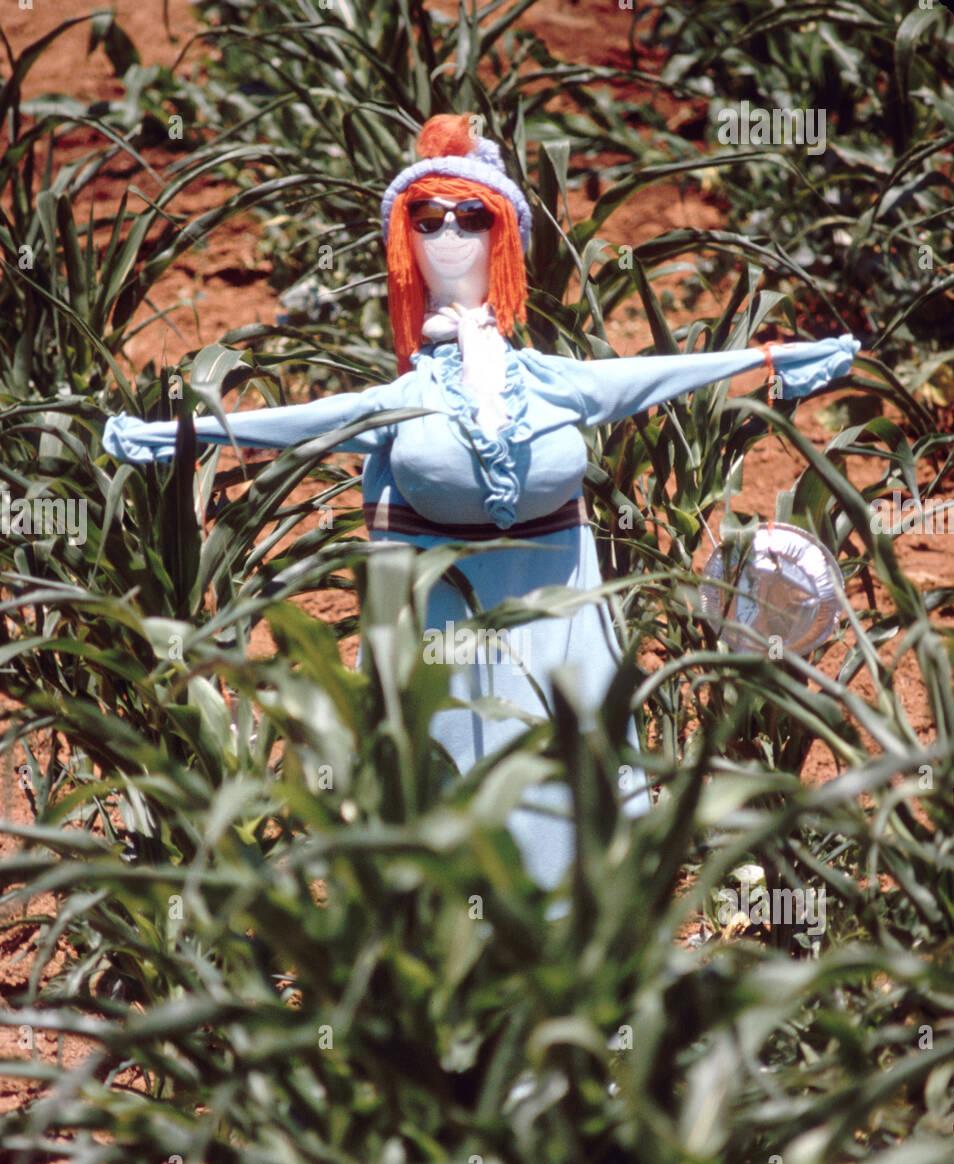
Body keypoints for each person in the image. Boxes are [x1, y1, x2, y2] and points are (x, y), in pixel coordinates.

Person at [103, 114, 860, 897]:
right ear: (404, 243)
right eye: (428, 220)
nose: (451, 234)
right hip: (445, 636)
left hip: (564, 626)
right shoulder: (404, 397)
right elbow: (294, 425)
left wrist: (778, 358)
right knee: (453, 792)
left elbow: (669, 373)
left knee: (569, 788)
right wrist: (174, 437)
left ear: (505, 237)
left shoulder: (552, 381)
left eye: (474, 217)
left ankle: (590, 919)